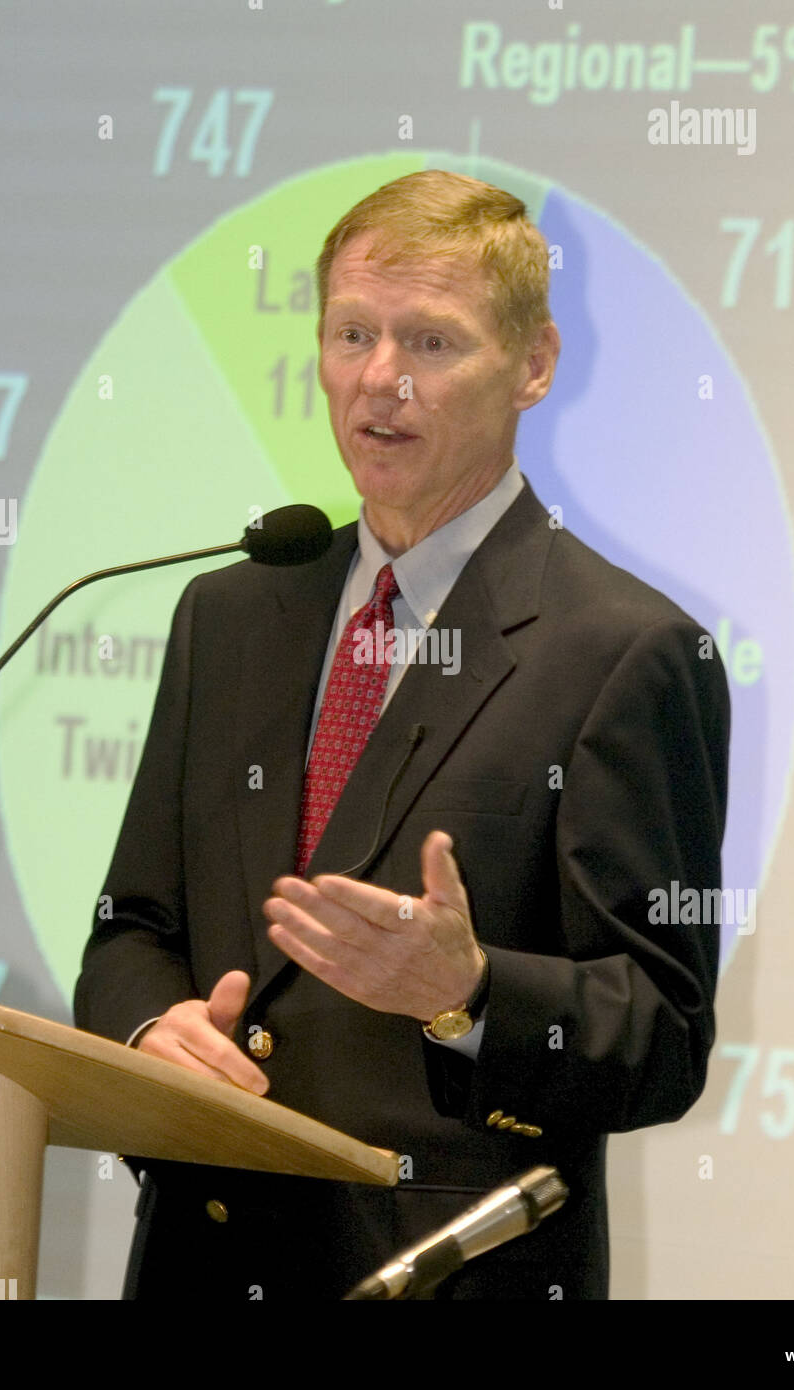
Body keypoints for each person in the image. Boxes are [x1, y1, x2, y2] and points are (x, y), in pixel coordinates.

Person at [73, 169, 730, 1300]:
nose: (381, 378)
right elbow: (134, 923)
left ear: (533, 365)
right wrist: (148, 1030)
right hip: (201, 1257)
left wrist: (470, 990)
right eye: (353, 333)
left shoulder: (624, 650)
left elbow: (662, 1038)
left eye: (431, 341)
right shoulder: (229, 613)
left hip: (438, 1271)